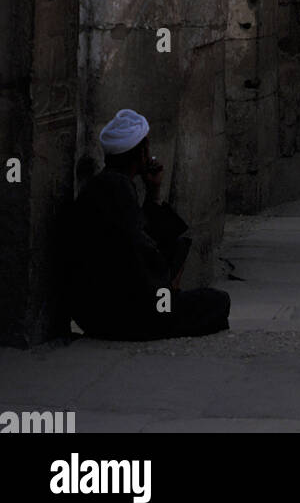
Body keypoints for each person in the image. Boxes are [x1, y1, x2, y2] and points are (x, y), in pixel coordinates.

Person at [69, 108, 231, 340]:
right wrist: (167, 287)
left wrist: (153, 191)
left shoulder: (104, 186)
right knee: (218, 301)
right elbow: (143, 259)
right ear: (142, 153)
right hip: (122, 315)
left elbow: (140, 236)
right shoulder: (118, 190)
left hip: (96, 312)